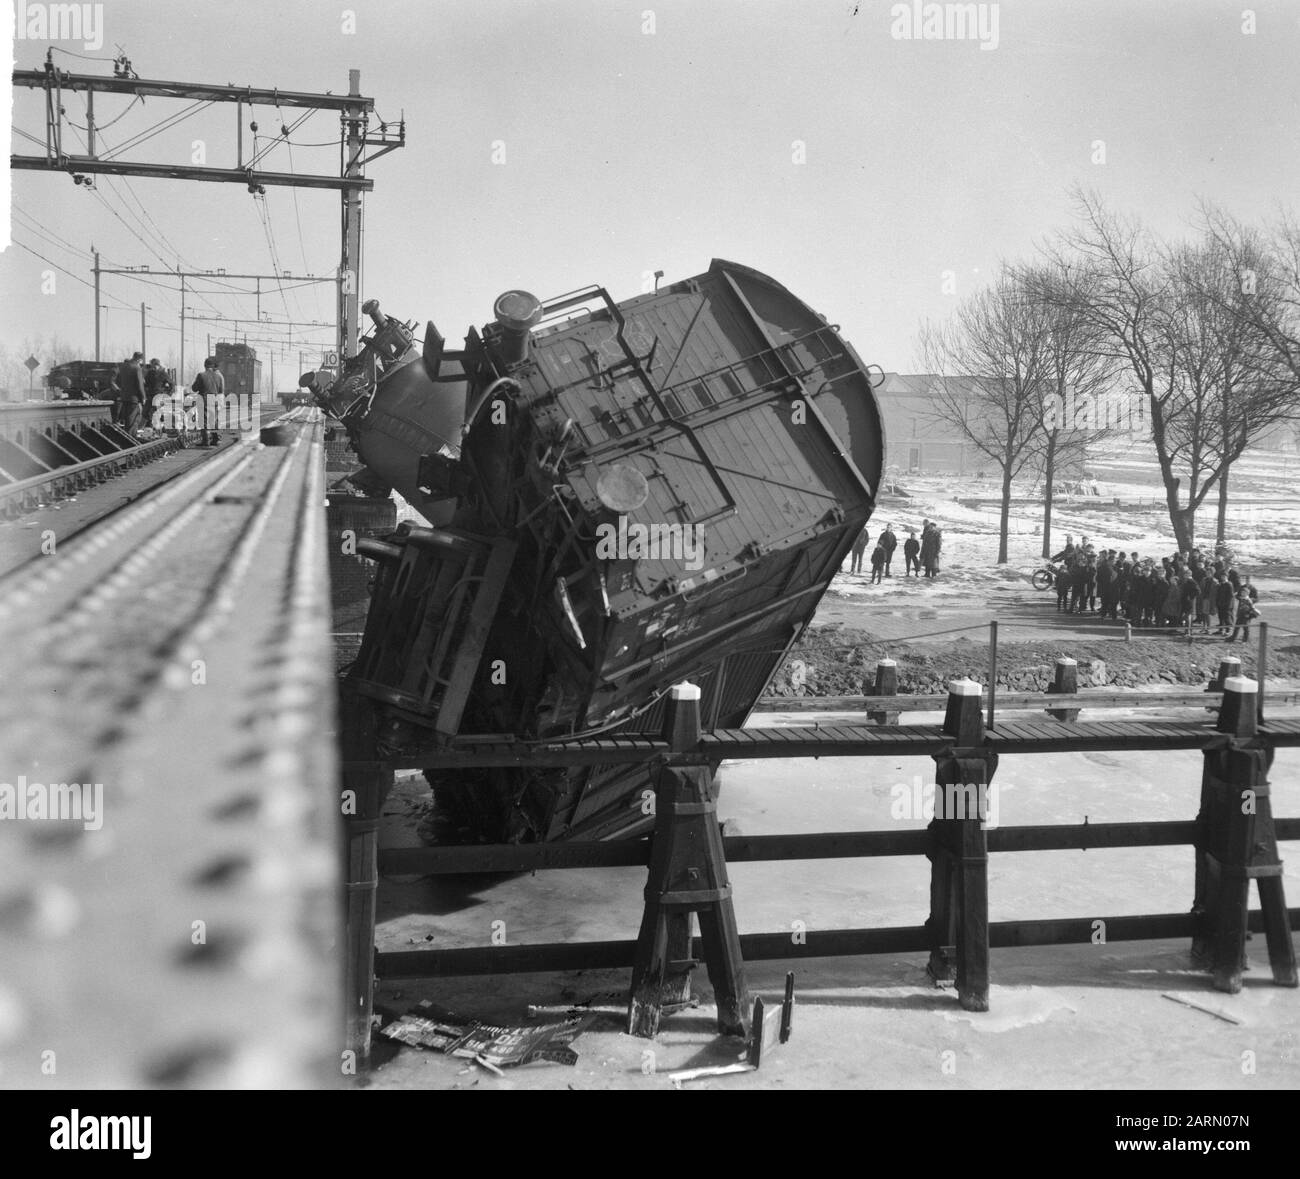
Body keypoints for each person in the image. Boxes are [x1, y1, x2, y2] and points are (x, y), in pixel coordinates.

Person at [192, 357, 226, 445]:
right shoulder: (218, 376)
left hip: (203, 398)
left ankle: (205, 440)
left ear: (205, 366)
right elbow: (221, 390)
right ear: (213, 366)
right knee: (214, 419)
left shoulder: (201, 375)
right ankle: (216, 439)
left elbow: (194, 388)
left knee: (203, 420)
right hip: (214, 399)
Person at [113, 351, 146, 437]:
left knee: (127, 418)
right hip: (134, 398)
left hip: (124, 396)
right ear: (139, 359)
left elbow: (117, 381)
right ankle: (131, 438)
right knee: (134, 419)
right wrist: (143, 397)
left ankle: (126, 437)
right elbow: (140, 385)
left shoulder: (123, 367)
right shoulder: (136, 368)